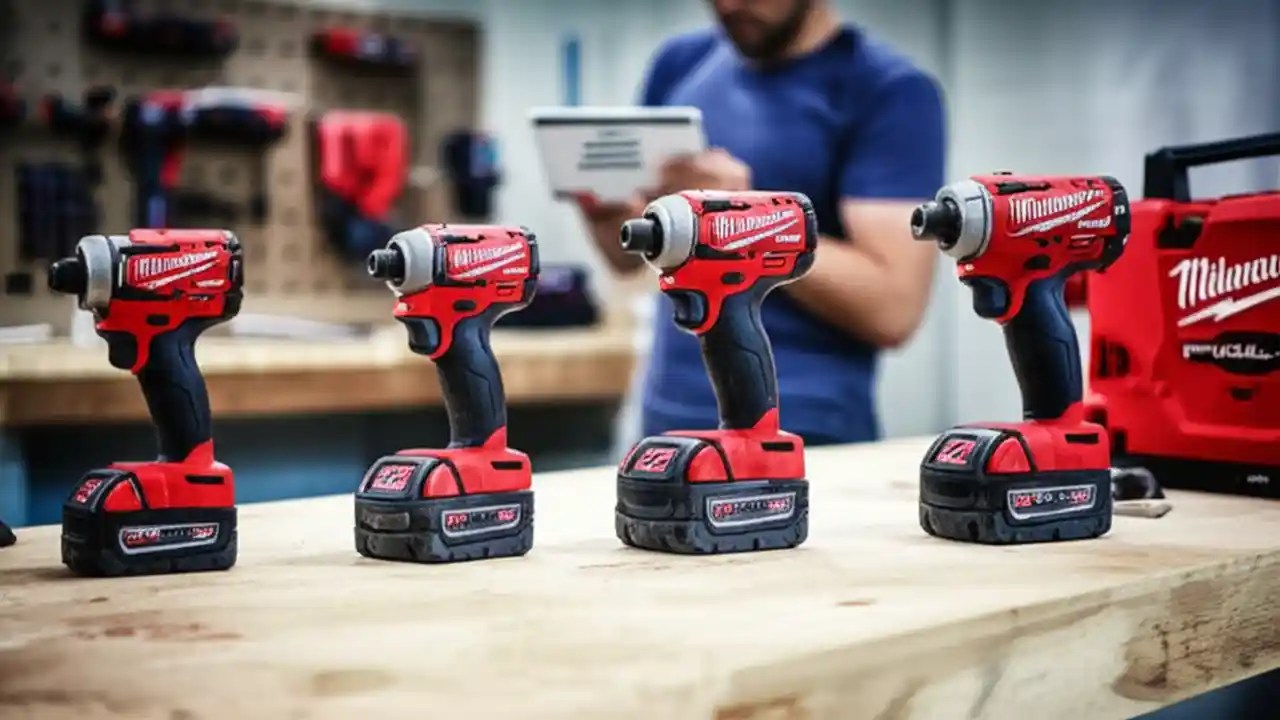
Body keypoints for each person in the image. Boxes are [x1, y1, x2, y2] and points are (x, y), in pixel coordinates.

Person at [578, 0, 947, 447]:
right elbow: (627, 260)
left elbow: (892, 308)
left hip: (804, 432)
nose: (729, 4)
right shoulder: (679, 64)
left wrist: (740, 219)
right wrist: (606, 213)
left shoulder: (888, 90)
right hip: (669, 419)